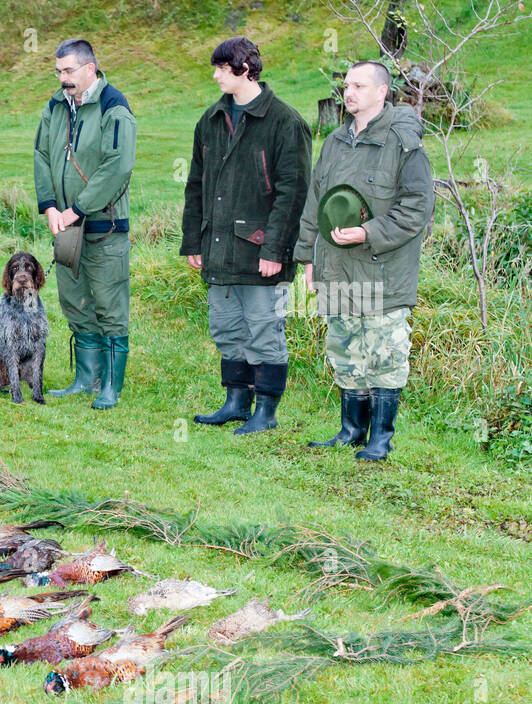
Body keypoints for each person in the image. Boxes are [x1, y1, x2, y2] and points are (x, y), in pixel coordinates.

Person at [294, 60, 434, 462]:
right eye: (346, 85)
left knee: (384, 354)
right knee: (344, 349)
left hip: (382, 269)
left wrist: (368, 232)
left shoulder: (404, 143)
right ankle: (351, 430)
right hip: (335, 266)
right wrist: (307, 257)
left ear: (381, 92)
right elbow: (313, 204)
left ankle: (380, 439)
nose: (348, 93)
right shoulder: (336, 141)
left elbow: (417, 208)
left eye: (358, 85)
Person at [180, 36, 311, 434]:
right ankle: (236, 402)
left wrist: (276, 249)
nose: (216, 75)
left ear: (246, 69)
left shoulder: (286, 123)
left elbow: (293, 194)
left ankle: (266, 412)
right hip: (218, 249)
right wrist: (192, 241)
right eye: (215, 67)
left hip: (261, 254)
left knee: (264, 330)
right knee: (226, 328)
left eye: (223, 68)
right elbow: (196, 183)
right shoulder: (211, 119)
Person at [33, 37, 136, 410]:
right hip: (64, 228)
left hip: (105, 227)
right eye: (58, 71)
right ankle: (86, 378)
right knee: (75, 301)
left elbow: (118, 166)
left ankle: (111, 386)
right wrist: (50, 209)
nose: (62, 78)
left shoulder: (114, 107)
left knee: (109, 306)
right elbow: (41, 154)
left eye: (68, 70)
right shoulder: (55, 107)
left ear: (90, 69)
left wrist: (76, 209)